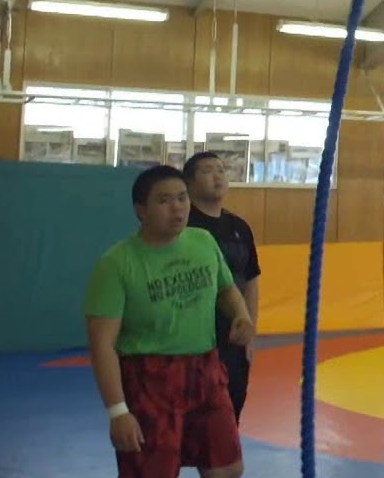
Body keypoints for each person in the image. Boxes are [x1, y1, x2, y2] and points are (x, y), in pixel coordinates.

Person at [83, 165, 252, 478]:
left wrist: (241, 314)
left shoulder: (202, 241)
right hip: (150, 379)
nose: (178, 208)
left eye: (182, 198)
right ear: (140, 210)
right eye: (164, 201)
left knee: (227, 467)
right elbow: (102, 345)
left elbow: (226, 288)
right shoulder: (116, 264)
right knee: (152, 471)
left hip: (206, 371)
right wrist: (118, 411)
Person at [184, 151, 261, 422]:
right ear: (189, 183)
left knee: (229, 416)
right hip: (191, 342)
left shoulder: (239, 227)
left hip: (232, 340)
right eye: (207, 171)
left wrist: (250, 331)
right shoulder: (183, 226)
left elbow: (251, 279)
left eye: (221, 169)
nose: (217, 176)